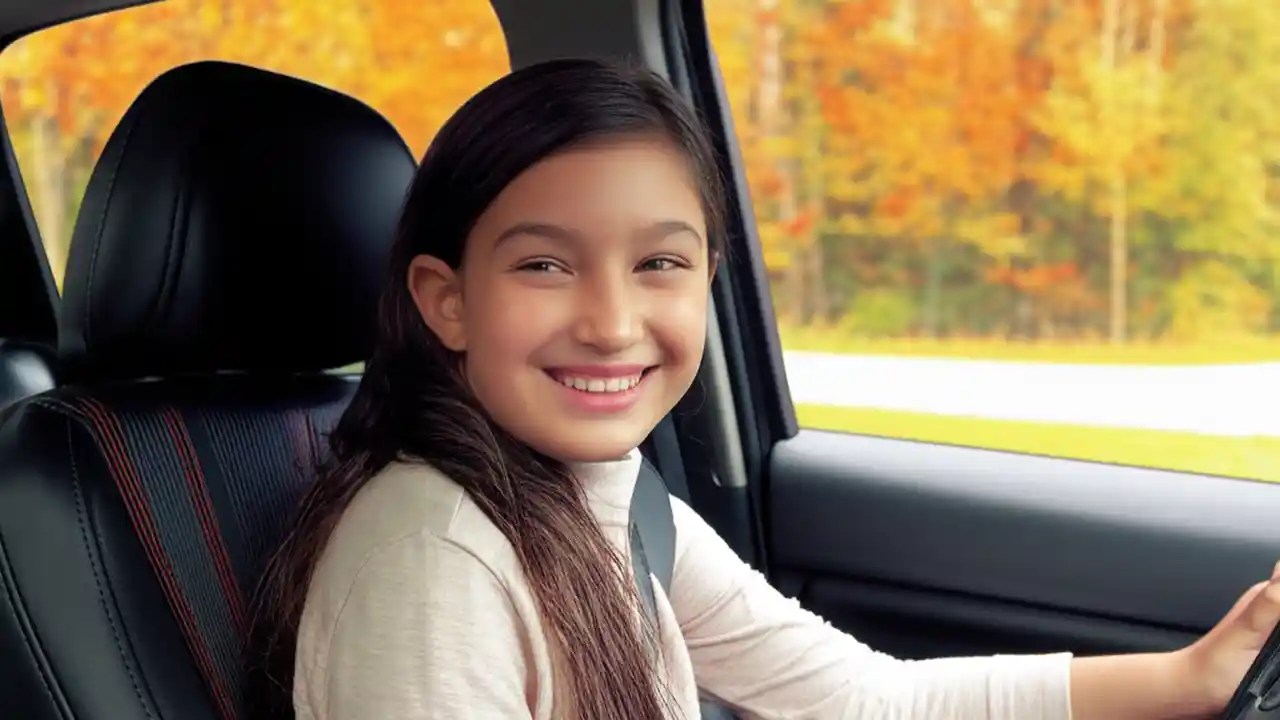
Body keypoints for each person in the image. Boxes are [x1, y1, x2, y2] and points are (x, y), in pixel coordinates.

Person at [245, 58, 1280, 720]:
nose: (611, 322)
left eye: (658, 264)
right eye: (544, 266)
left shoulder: (605, 502)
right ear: (447, 301)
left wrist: (1190, 676)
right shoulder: (432, 558)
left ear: (706, 279)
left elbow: (867, 699)